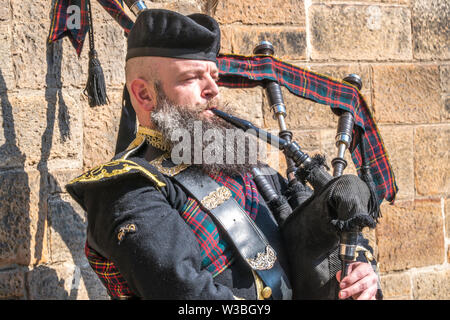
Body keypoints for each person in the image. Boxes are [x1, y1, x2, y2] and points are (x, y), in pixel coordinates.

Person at [66, 9, 381, 300]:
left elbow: (308, 235)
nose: (213, 90)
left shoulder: (236, 163)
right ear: (144, 94)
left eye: (213, 77)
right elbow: (190, 297)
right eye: (192, 78)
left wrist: (357, 268)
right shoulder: (126, 188)